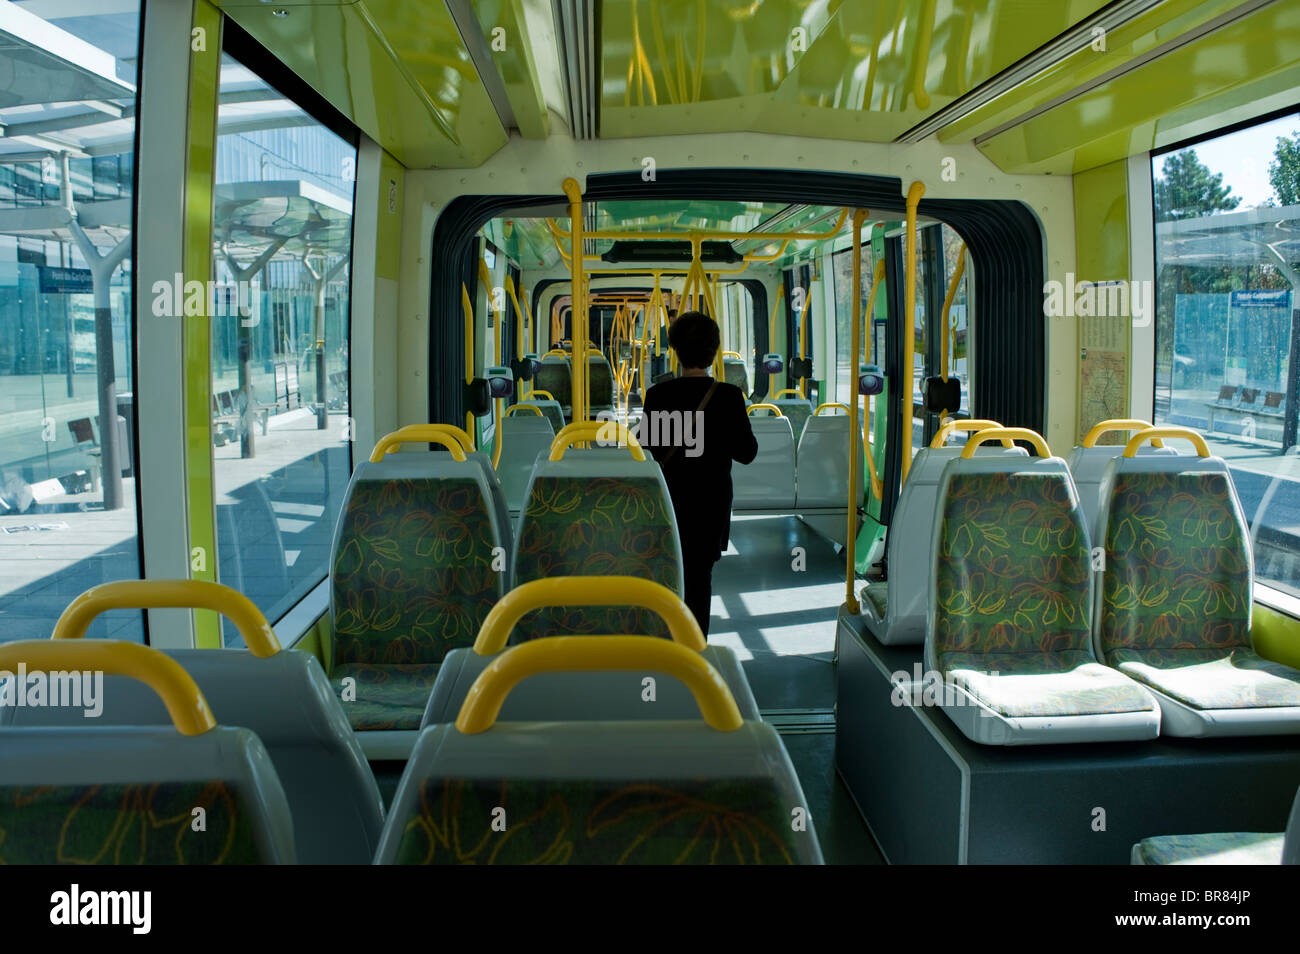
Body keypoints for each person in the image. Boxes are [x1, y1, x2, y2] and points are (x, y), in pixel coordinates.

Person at [641, 312, 757, 637]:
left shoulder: (658, 396)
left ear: (675, 350)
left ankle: (665, 641)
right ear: (714, 350)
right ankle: (694, 648)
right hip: (711, 503)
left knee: (669, 572)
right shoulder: (729, 397)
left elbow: (647, 453)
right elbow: (747, 453)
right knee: (699, 580)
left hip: (669, 501)